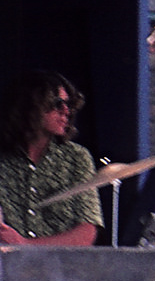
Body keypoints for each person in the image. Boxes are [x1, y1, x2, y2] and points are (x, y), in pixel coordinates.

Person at [0, 70, 104, 245]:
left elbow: (87, 232)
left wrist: (25, 245)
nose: (66, 110)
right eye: (57, 103)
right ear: (30, 106)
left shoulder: (76, 157)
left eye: (69, 104)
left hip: (61, 261)